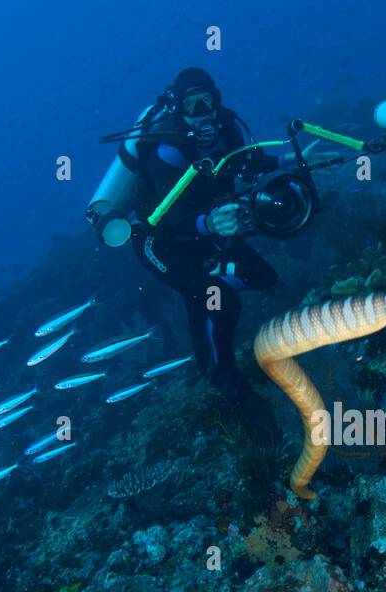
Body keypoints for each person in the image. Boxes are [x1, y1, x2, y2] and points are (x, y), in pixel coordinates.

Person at [126, 67, 279, 407]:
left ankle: (201, 291)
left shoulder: (229, 127)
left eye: (205, 101)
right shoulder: (167, 147)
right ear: (177, 107)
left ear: (216, 99)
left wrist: (294, 160)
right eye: (190, 105)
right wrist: (208, 223)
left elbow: (249, 162)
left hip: (207, 235)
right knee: (222, 302)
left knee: (264, 278)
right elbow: (168, 218)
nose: (200, 113)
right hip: (161, 244)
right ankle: (224, 382)